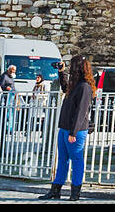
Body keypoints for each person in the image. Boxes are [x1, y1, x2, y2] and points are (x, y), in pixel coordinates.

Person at [40, 55, 95, 201]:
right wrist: (61, 72)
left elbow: (81, 112)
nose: (71, 68)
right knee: (62, 159)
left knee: (76, 160)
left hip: (75, 131)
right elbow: (65, 88)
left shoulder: (84, 87)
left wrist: (74, 131)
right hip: (64, 127)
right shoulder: (75, 84)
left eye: (73, 65)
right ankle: (55, 190)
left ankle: (75, 192)